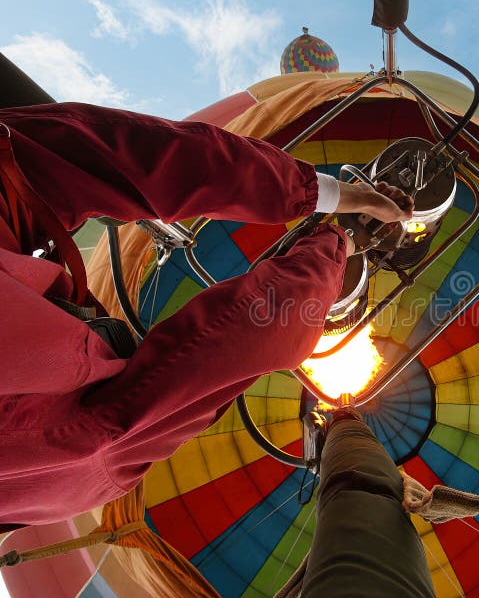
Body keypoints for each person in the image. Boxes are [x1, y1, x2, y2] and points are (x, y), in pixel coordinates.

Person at [0, 101, 413, 531]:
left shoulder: (65, 465)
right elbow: (124, 154)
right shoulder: (73, 452)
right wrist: (335, 215)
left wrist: (337, 240)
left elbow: (250, 334)